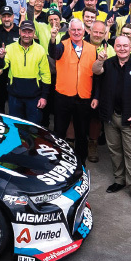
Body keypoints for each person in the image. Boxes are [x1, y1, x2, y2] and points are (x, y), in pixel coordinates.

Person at [93, 35, 131, 207]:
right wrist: (99, 60)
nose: (122, 48)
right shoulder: (108, 63)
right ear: (115, 47)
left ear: (130, 47)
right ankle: (119, 181)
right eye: (118, 45)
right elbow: (96, 71)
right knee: (115, 151)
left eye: (125, 45)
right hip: (111, 117)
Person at [49, 19, 97, 164]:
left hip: (83, 97)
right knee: (59, 132)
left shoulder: (92, 48)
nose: (76, 32)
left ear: (84, 31)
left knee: (82, 133)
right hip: (63, 96)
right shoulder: (61, 46)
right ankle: (58, 161)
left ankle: (80, 163)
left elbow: (95, 74)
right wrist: (52, 39)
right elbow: (53, 53)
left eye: (79, 30)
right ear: (69, 32)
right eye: (73, 30)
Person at [3, 20, 51, 124]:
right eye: (24, 32)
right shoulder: (10, 48)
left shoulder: (40, 50)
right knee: (16, 128)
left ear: (34, 33)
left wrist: (44, 96)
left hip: (34, 98)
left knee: (33, 128)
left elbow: (46, 75)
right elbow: (2, 66)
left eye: (30, 32)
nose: (27, 35)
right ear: (19, 32)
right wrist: (0, 58)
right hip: (15, 96)